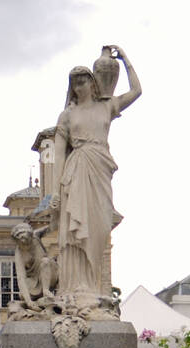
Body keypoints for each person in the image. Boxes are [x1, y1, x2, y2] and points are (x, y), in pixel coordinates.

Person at [49, 46, 141, 310]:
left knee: (99, 228)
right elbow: (58, 153)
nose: (79, 87)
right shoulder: (67, 115)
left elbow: (137, 91)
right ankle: (75, 288)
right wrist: (55, 191)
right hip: (77, 170)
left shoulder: (107, 107)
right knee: (75, 230)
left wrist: (125, 60)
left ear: (92, 81)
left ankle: (92, 285)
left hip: (100, 170)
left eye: (82, 80)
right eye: (74, 83)